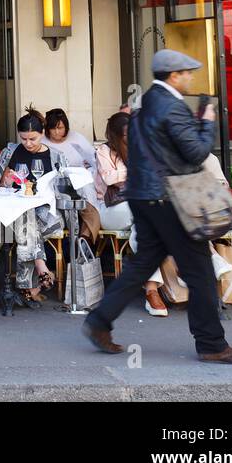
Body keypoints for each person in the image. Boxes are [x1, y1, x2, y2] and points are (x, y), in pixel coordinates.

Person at [84, 49, 232, 364]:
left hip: (142, 195)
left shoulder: (145, 103)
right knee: (200, 270)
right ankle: (211, 344)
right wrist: (206, 122)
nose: (191, 77)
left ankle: (99, 321)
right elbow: (196, 152)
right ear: (174, 75)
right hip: (170, 198)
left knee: (142, 264)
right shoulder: (173, 106)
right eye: (187, 72)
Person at [92, 112, 169, 316]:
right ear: (116, 136)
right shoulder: (104, 151)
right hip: (109, 211)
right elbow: (110, 179)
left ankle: (152, 291)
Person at [0, 112, 67, 301]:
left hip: (50, 214)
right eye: (24, 139)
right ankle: (41, 269)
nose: (28, 143)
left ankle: (32, 281)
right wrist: (4, 181)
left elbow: (65, 191)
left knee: (26, 223)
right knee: (26, 218)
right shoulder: (10, 153)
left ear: (42, 133)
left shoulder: (56, 157)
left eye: (33, 138)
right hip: (16, 212)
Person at [45, 108, 97, 173]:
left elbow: (93, 158)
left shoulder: (77, 138)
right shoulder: (42, 142)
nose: (57, 132)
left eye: (60, 128)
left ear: (66, 127)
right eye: (53, 129)